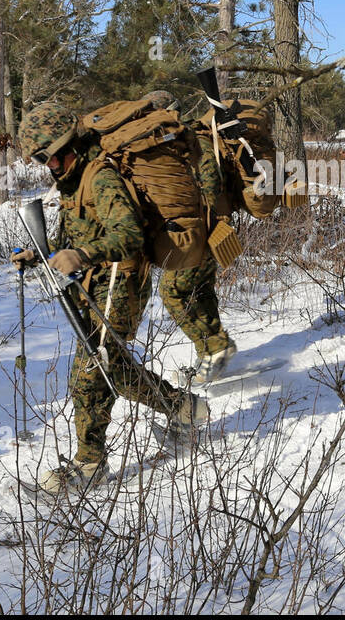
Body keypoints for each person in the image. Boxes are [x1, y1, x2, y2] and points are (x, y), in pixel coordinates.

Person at [12, 102, 210, 494]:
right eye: (45, 161)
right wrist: (41, 251)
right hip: (95, 283)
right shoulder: (75, 179)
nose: (51, 167)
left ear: (70, 145)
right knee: (111, 367)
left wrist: (83, 256)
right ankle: (183, 407)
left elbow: (130, 235)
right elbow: (80, 233)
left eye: (53, 157)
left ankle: (90, 463)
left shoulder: (100, 177)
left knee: (89, 374)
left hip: (121, 282)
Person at [145, 91, 238, 383]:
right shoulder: (176, 145)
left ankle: (211, 349)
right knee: (202, 291)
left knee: (172, 293)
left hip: (201, 234)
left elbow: (209, 189)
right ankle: (217, 347)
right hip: (203, 232)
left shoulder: (192, 145)